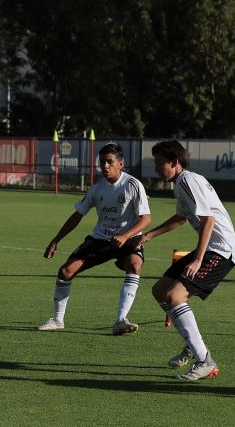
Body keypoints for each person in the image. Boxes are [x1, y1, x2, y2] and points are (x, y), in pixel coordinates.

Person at [136, 140, 235, 381]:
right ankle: (194, 346)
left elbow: (208, 221)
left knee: (174, 296)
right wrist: (149, 235)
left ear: (175, 162)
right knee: (160, 290)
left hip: (220, 250)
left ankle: (205, 361)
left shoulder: (188, 181)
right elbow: (182, 218)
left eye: (160, 163)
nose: (157, 168)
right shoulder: (181, 183)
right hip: (210, 247)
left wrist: (198, 259)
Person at [38, 143, 152, 334]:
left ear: (121, 164)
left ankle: (120, 320)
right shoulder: (97, 188)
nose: (105, 166)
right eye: (102, 162)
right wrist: (56, 240)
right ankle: (57, 320)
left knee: (134, 265)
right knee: (65, 271)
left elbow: (146, 218)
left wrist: (125, 235)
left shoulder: (132, 184)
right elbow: (77, 215)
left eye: (110, 162)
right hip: (100, 239)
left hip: (128, 240)